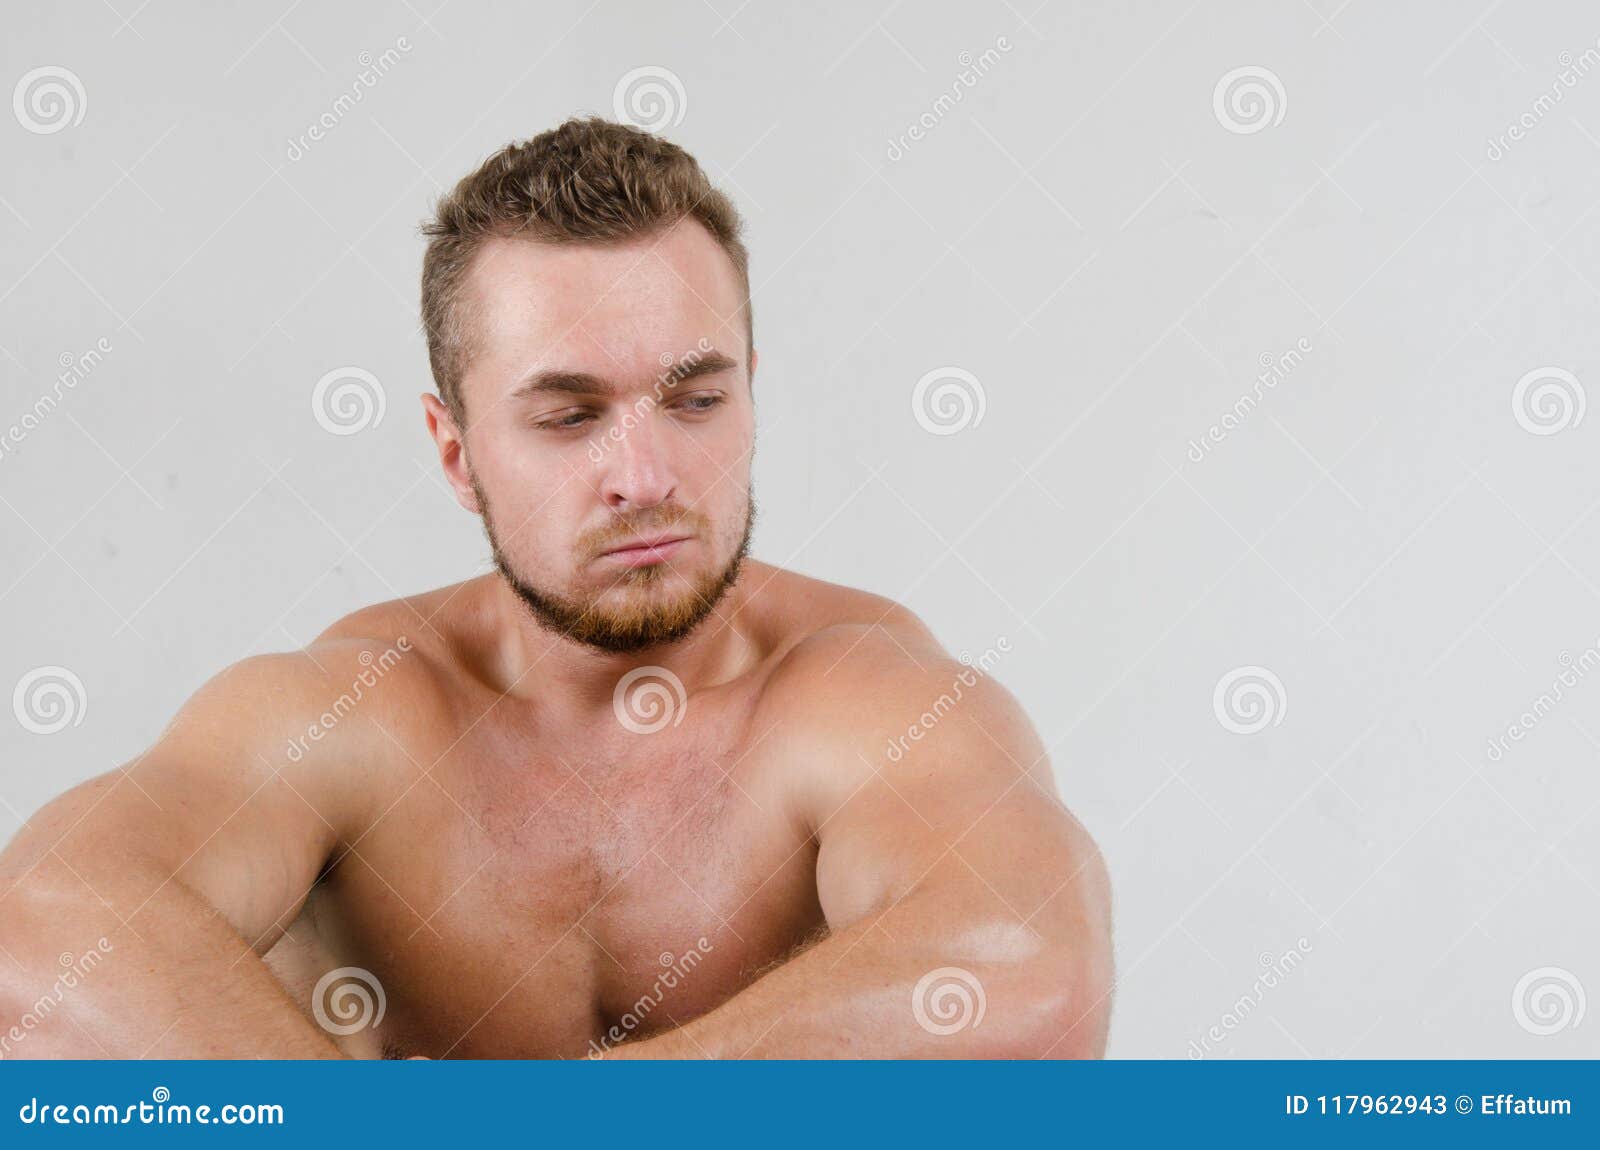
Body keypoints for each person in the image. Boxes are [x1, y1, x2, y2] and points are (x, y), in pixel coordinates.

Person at [0, 118, 1112, 1059]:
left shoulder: (864, 696)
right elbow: (39, 933)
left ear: (751, 399)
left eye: (694, 402)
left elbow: (1032, 971)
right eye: (569, 416)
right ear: (455, 452)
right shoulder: (355, 713)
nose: (644, 477)